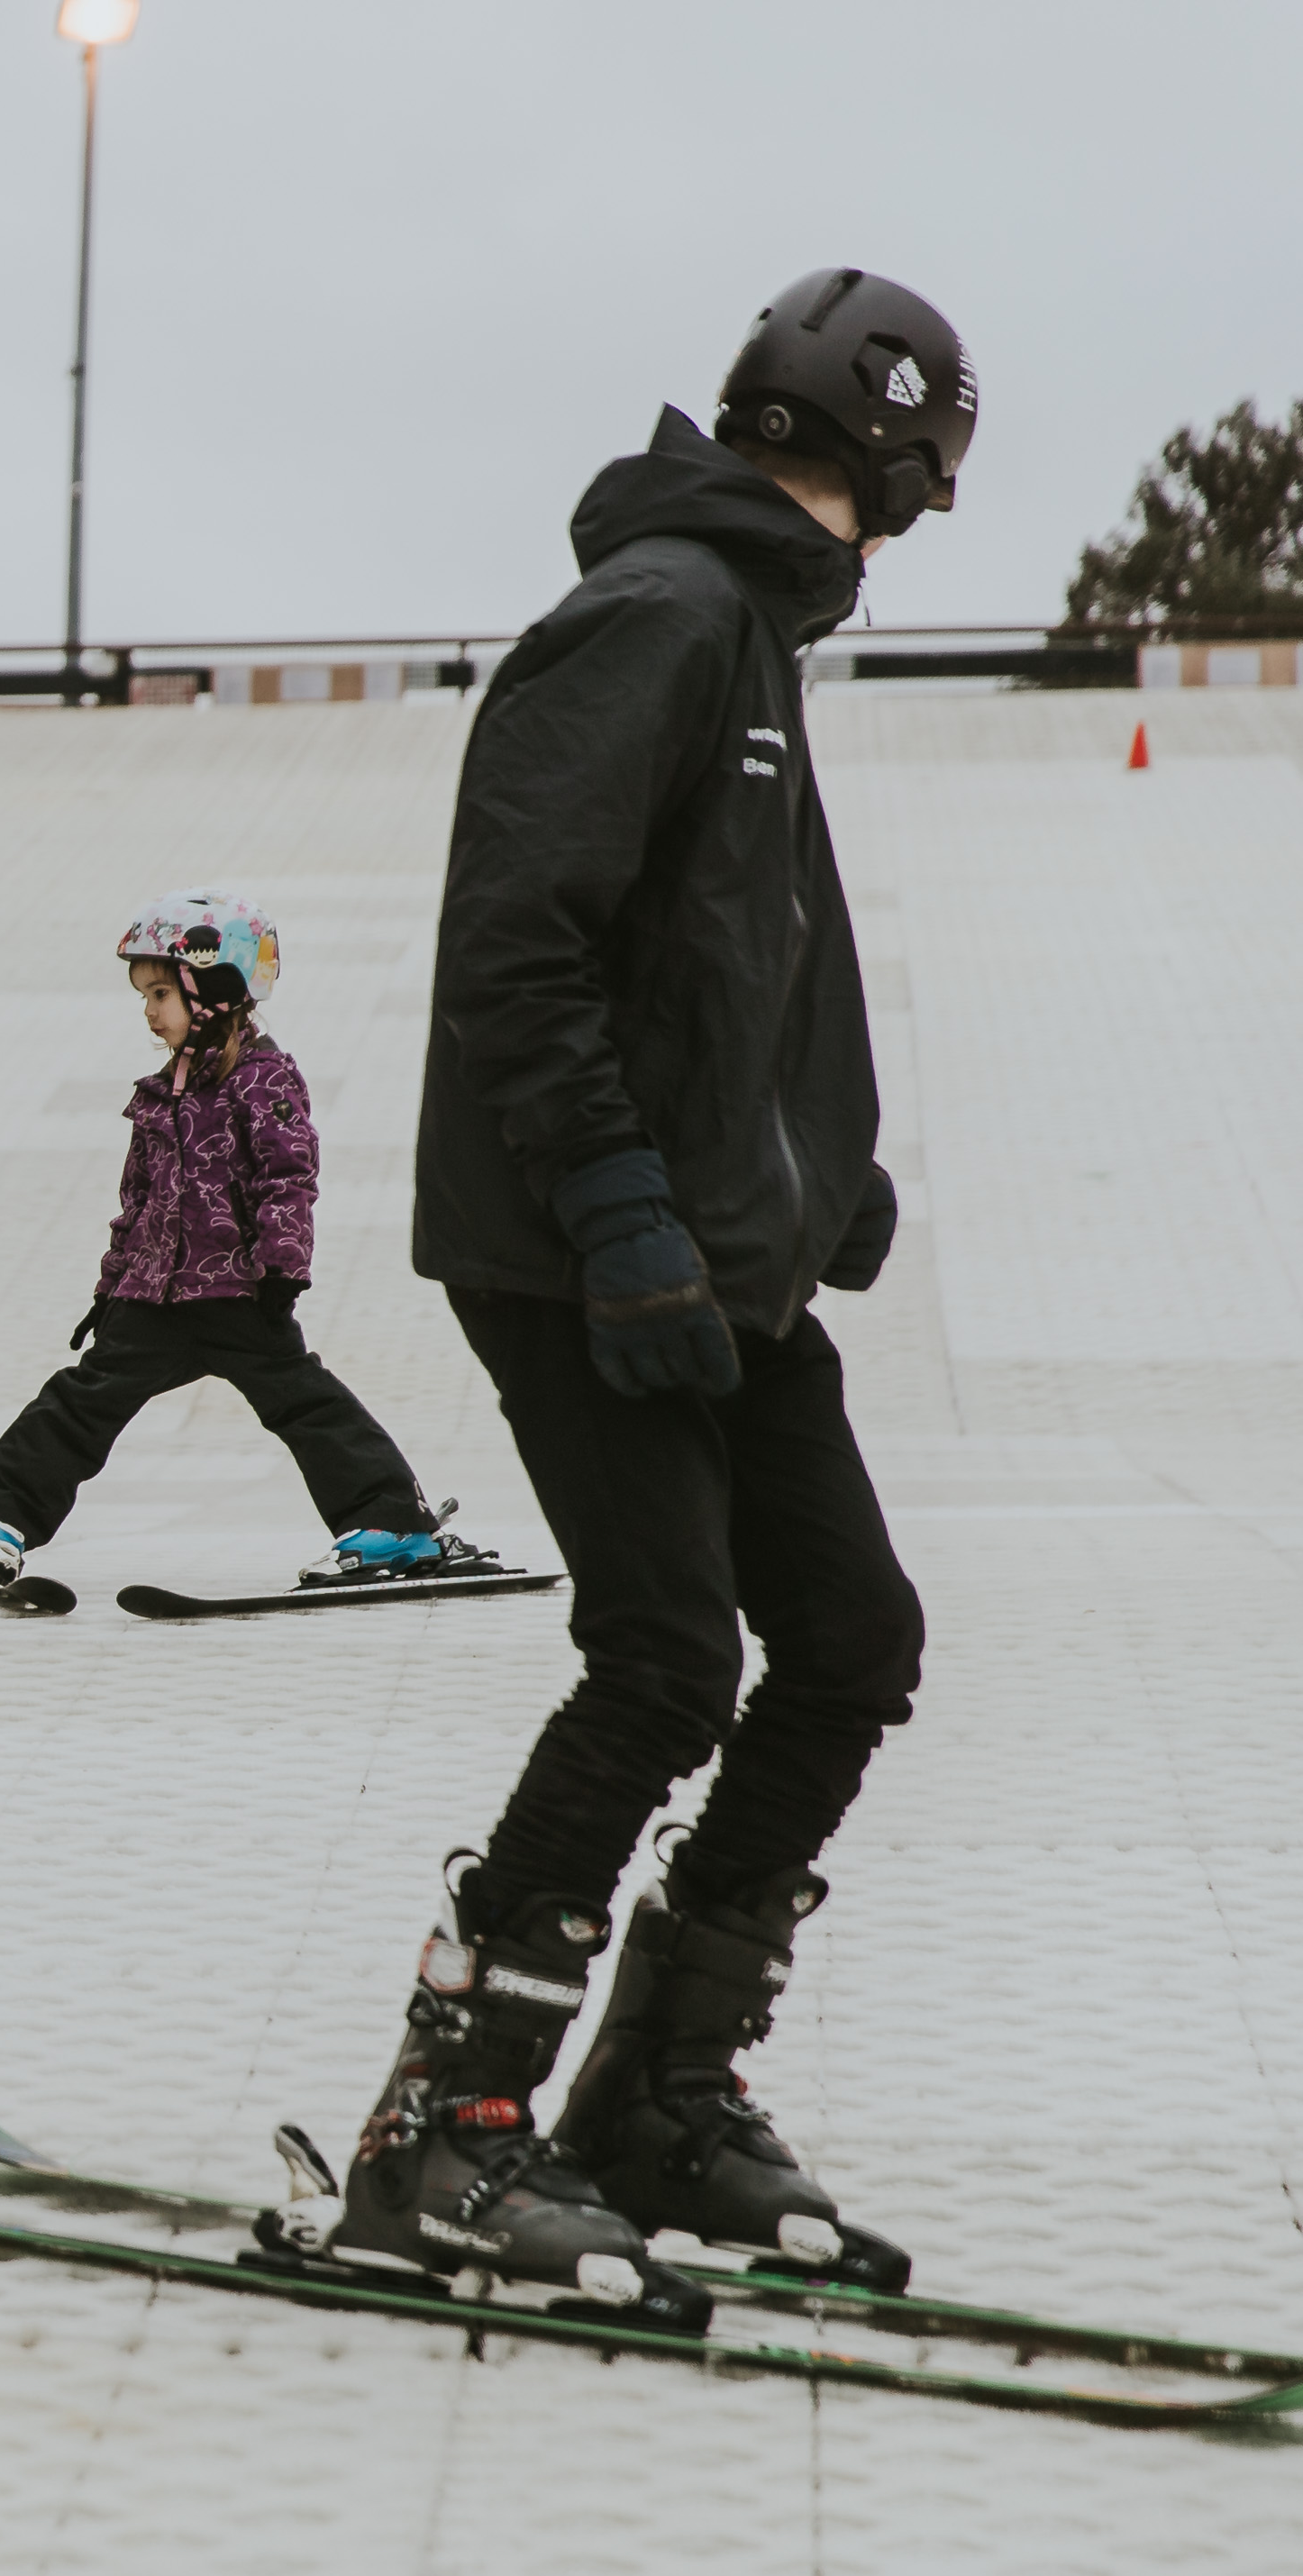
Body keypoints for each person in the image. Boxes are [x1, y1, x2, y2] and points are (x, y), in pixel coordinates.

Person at [336, 269, 972, 2315]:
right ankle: (451, 2129)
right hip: (581, 1253)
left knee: (850, 1637)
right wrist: (622, 1215)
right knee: (663, 1662)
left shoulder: (739, 636)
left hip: (715, 1258)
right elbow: (519, 946)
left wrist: (813, 1184)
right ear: (894, 454)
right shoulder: (665, 622)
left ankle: (656, 2096)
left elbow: (721, 967)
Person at [0, 890, 487, 1597]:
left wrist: (282, 1267)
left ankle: (392, 1527)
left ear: (214, 990)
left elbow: (290, 1175)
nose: (149, 1010)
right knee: (79, 1403)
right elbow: (137, 1200)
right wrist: (111, 1285)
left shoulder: (262, 1078)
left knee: (305, 1403)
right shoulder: (162, 1090)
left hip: (238, 1290)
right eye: (144, 995)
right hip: (154, 1296)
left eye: (161, 992)